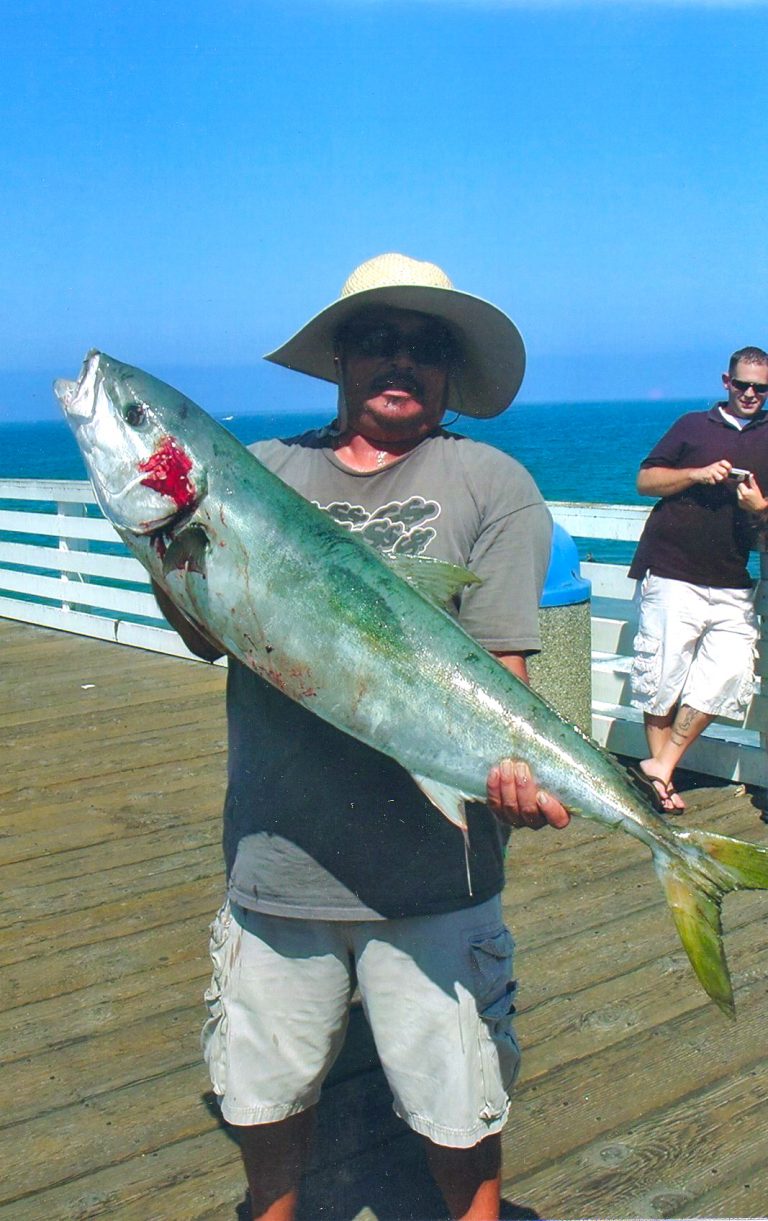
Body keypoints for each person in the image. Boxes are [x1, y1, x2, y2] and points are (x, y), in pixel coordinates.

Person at [153, 252, 570, 1221]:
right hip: (277, 856)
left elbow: (504, 669)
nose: (401, 359)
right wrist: (166, 541)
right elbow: (205, 636)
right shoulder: (259, 473)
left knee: (458, 1104)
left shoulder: (491, 482)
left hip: (437, 873)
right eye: (378, 338)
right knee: (264, 1096)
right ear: (338, 357)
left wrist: (513, 776)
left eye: (426, 346)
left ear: (450, 372)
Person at [627, 346, 768, 814]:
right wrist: (696, 474)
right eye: (743, 384)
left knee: (727, 673)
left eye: (761, 388)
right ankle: (663, 782)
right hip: (670, 568)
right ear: (726, 382)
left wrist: (760, 510)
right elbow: (646, 481)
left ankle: (660, 767)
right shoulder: (692, 426)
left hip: (731, 579)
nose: (751, 394)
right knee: (661, 676)